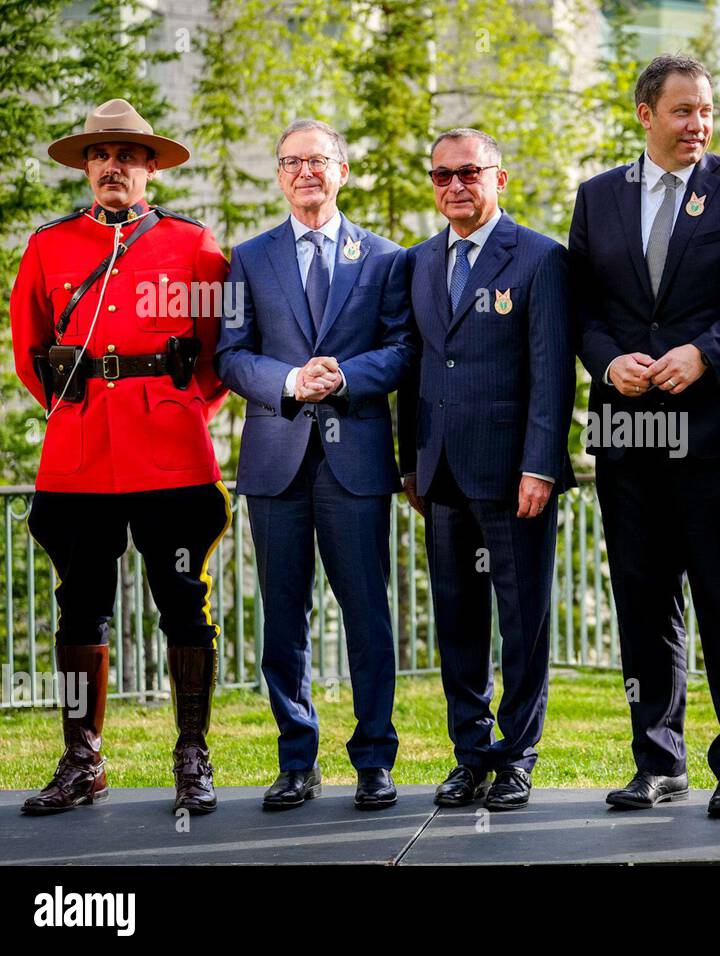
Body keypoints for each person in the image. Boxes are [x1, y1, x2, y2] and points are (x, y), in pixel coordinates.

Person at [569, 54, 720, 817]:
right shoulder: (598, 196)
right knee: (643, 600)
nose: (699, 123)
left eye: (706, 110)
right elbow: (580, 309)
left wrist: (703, 353)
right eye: (683, 110)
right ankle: (658, 760)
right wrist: (608, 362)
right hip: (629, 427)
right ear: (645, 114)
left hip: (719, 427)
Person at [11, 98, 231, 815]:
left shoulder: (193, 245)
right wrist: (78, 407)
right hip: (78, 457)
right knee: (79, 609)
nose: (112, 166)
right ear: (85, 167)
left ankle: (192, 755)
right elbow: (29, 351)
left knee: (184, 604)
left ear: (150, 167)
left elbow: (217, 355)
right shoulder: (49, 246)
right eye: (100, 155)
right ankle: (83, 760)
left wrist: (174, 407)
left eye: (127, 155)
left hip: (171, 455)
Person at [216, 119, 413, 811]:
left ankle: (374, 759)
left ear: (342, 170)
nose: (305, 171)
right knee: (283, 618)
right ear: (279, 175)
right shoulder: (248, 258)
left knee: (367, 615)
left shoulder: (386, 258)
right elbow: (230, 355)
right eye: (292, 162)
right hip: (276, 461)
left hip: (355, 460)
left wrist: (345, 377)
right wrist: (292, 381)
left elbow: (403, 349)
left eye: (318, 160)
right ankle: (296, 759)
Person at [397, 129, 574, 812]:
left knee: (522, 622)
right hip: (440, 473)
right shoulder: (417, 262)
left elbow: (552, 373)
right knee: (458, 622)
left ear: (499, 178)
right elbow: (413, 369)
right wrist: (410, 463)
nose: (454, 186)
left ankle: (516, 758)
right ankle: (469, 756)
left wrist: (541, 466)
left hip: (513, 476)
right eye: (442, 175)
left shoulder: (539, 257)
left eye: (468, 172)